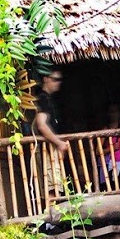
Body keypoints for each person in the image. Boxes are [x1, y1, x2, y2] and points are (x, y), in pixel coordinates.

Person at [30, 68, 71, 222]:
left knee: (53, 185)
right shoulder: (43, 99)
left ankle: (51, 221)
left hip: (48, 148)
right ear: (46, 79)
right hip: (48, 149)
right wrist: (59, 143)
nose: (58, 83)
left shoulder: (46, 99)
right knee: (53, 185)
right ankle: (51, 222)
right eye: (55, 79)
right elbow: (41, 124)